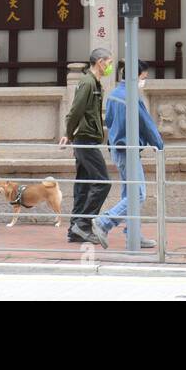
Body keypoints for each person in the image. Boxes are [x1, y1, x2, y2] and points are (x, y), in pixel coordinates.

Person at [96, 61, 165, 249]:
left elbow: (108, 121)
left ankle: (133, 233)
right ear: (137, 76)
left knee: (129, 192)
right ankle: (104, 222)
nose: (144, 81)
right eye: (144, 77)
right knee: (138, 194)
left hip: (117, 149)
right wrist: (159, 145)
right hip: (129, 149)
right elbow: (147, 124)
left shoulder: (113, 95)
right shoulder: (132, 97)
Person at [59, 48, 113, 247]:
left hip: (86, 139)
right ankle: (83, 223)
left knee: (83, 185)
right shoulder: (88, 82)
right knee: (103, 182)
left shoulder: (93, 83)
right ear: (100, 62)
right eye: (108, 62)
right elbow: (76, 110)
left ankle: (75, 228)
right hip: (85, 139)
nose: (109, 67)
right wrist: (68, 133)